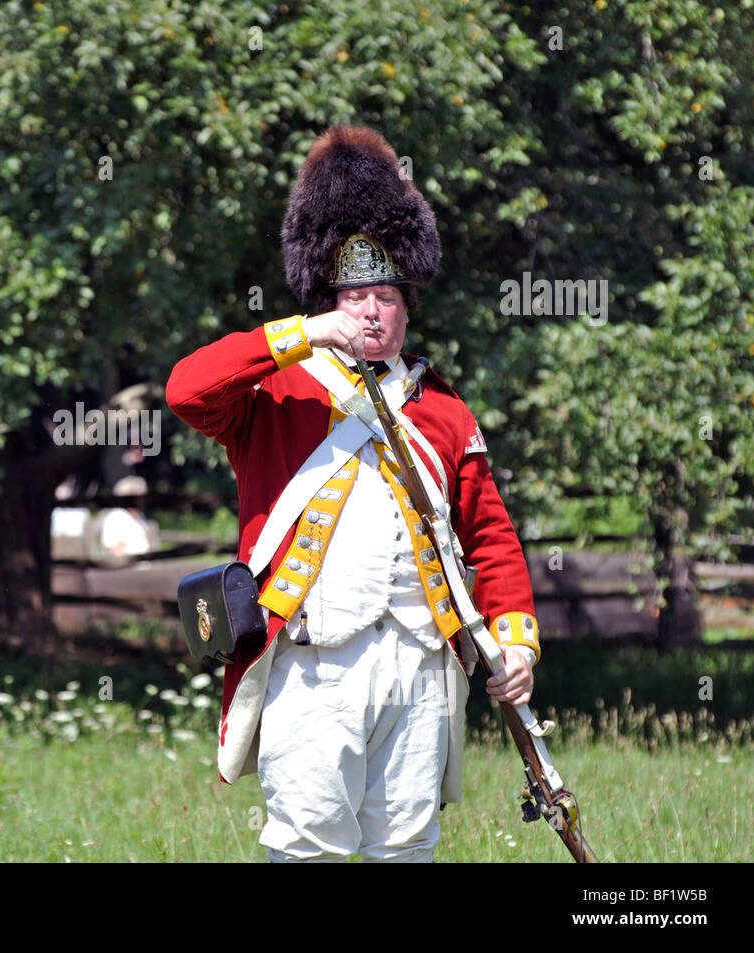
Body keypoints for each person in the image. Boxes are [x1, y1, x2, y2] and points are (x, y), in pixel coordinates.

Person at [166, 124, 539, 862]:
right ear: (329, 301)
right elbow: (186, 387)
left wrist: (516, 637)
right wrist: (301, 335)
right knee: (308, 845)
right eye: (355, 295)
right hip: (313, 662)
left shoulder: (445, 411)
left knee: (405, 846)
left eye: (386, 296)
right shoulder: (276, 392)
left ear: (409, 305)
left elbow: (491, 536)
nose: (371, 310)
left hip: (423, 662)